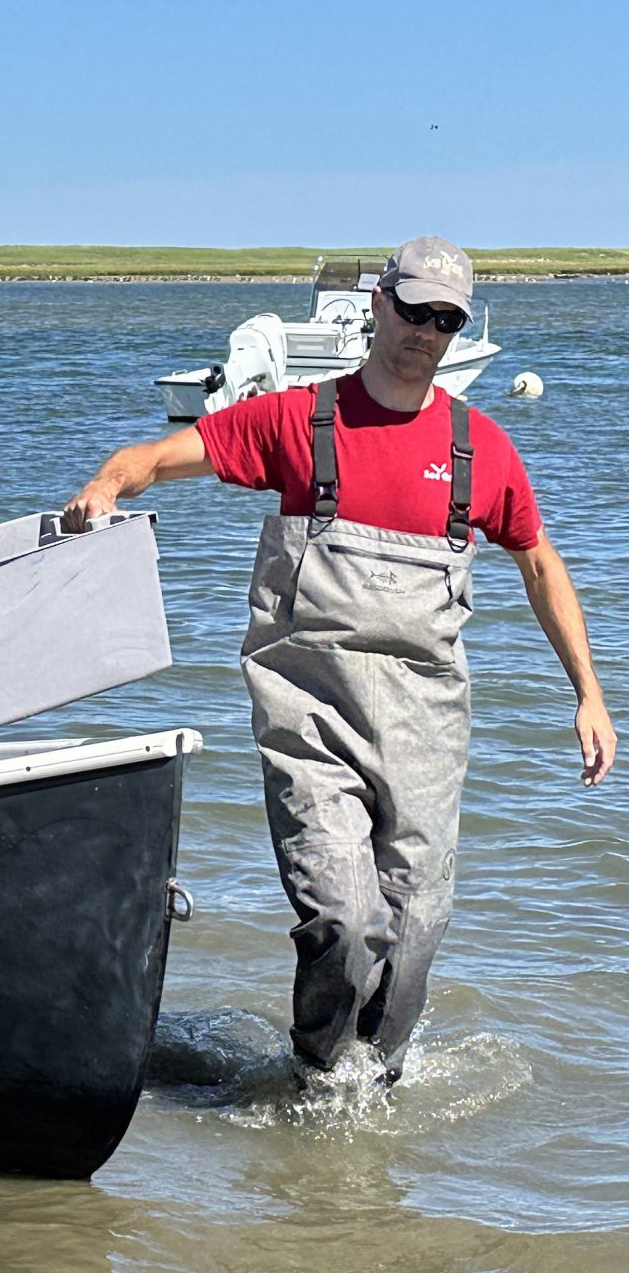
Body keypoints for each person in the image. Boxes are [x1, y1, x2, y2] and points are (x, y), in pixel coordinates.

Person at [62, 237, 616, 1082]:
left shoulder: (481, 451)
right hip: (308, 712)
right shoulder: (299, 422)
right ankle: (318, 1075)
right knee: (346, 922)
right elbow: (161, 458)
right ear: (378, 306)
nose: (424, 331)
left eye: (445, 319)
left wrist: (590, 693)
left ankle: (374, 1085)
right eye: (413, 310)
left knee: (416, 927)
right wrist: (109, 483)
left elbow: (540, 563)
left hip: (425, 720)